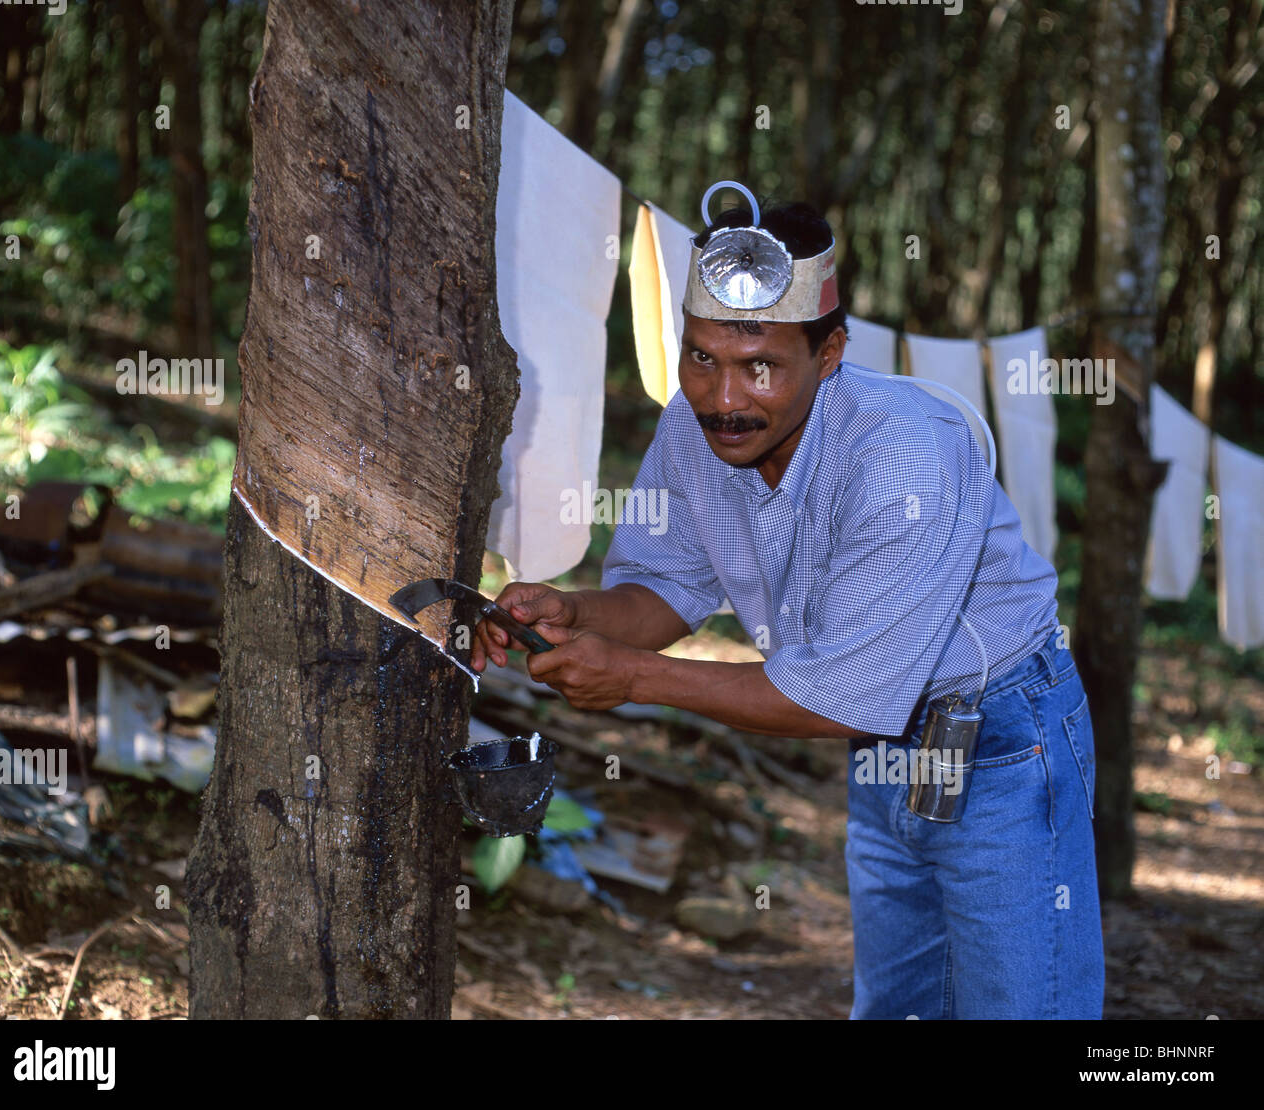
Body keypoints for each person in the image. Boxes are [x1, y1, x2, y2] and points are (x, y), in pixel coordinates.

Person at [470, 186, 1104, 1020]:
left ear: (829, 351)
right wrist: (577, 615)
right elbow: (669, 586)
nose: (724, 397)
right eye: (702, 358)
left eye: (760, 366)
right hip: (887, 751)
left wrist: (631, 677)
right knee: (900, 1007)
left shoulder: (902, 457)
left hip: (1002, 745)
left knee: (1023, 1008)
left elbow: (834, 697)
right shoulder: (692, 431)